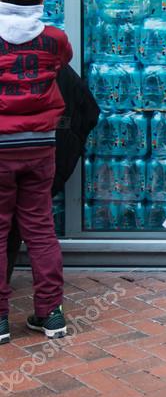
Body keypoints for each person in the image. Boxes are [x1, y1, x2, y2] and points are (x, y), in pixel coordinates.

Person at [0, 0, 73, 343]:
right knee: (40, 228)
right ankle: (50, 313)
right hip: (39, 144)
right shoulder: (54, 38)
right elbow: (63, 63)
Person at [6, 65, 100, 286]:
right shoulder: (52, 60)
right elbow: (88, 111)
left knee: (7, 232)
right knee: (38, 233)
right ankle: (50, 312)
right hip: (45, 157)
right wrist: (67, 142)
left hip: (9, 158)